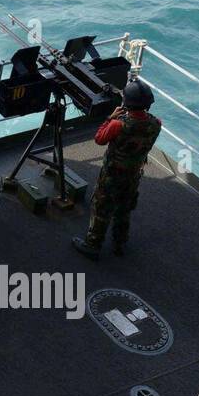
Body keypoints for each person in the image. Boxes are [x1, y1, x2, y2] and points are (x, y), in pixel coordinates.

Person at [72, 77, 162, 261]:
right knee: (124, 208)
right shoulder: (156, 124)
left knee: (102, 208)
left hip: (112, 174)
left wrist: (110, 118)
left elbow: (99, 139)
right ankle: (119, 243)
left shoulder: (118, 124)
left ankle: (93, 245)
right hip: (133, 174)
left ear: (127, 103)